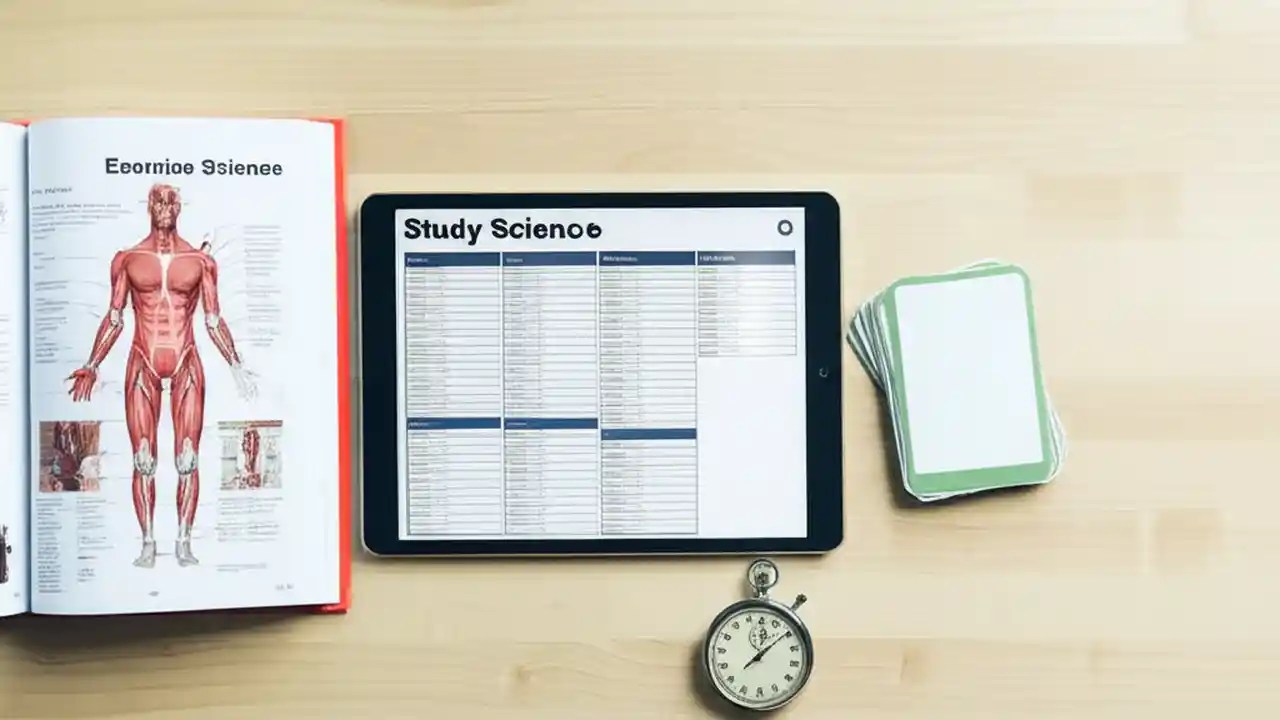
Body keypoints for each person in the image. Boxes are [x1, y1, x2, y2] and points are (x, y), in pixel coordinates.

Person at [67, 183, 256, 568]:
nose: (165, 206)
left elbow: (213, 320)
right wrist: (93, 363)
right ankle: (149, 543)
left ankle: (184, 541)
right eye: (158, 200)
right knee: (143, 460)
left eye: (171, 200)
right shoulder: (128, 259)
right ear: (148, 206)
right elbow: (115, 317)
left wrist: (235, 364)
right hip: (143, 360)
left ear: (180, 206)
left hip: (186, 360)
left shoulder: (201, 262)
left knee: (187, 459)